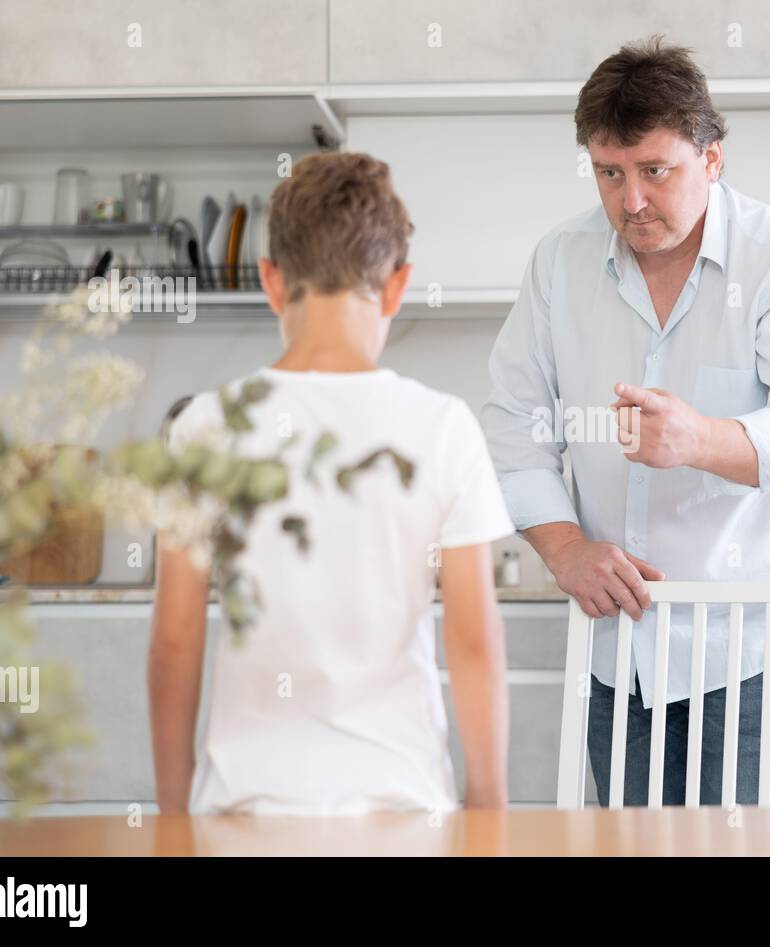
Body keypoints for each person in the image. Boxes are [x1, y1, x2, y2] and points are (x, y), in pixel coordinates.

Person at [481, 37, 770, 805]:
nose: (631, 201)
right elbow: (513, 425)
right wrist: (565, 548)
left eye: (656, 171)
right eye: (609, 173)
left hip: (752, 649)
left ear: (712, 158)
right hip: (618, 649)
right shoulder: (559, 262)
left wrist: (702, 438)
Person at [149, 152, 513, 815]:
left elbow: (175, 640)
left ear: (270, 279)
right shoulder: (442, 427)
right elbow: (474, 638)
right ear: (398, 285)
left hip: (243, 812)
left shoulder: (203, 425)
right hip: (400, 811)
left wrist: (173, 813)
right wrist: (488, 801)